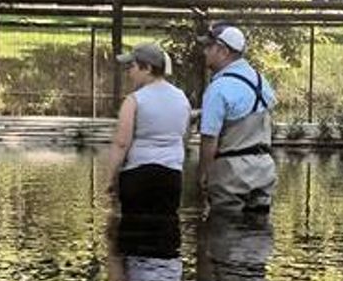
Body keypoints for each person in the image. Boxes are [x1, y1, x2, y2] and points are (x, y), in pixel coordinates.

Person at [196, 23, 277, 214]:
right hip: (264, 169)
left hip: (231, 174)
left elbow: (209, 140)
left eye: (209, 46)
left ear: (223, 51)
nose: (204, 51)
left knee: (225, 231)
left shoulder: (218, 88)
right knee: (258, 233)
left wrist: (204, 174)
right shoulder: (261, 80)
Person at [105, 42, 191, 217]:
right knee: (166, 230)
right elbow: (184, 136)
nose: (129, 72)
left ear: (148, 68)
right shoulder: (182, 98)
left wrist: (111, 177)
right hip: (171, 176)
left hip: (138, 175)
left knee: (134, 233)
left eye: (132, 66)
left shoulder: (134, 100)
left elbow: (122, 143)